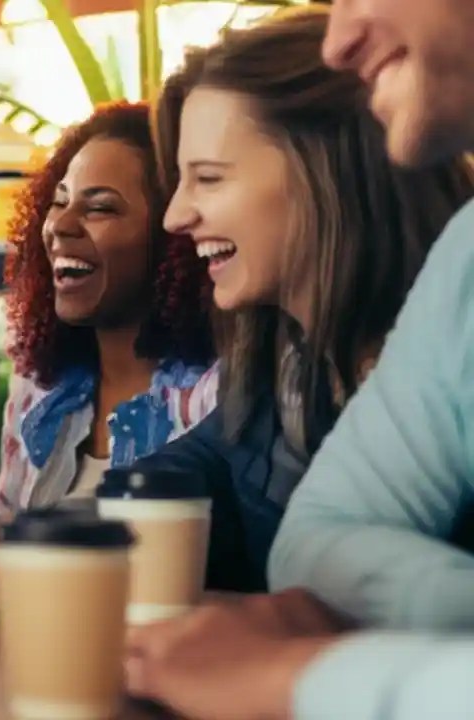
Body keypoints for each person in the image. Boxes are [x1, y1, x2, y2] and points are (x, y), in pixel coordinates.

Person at [129, 3, 474, 717]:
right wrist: (22, 544)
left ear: (327, 176)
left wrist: (316, 657)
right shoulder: (279, 370)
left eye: (211, 178)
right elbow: (273, 521)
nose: (174, 217)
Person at [0, 102, 220, 620]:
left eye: (100, 208)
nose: (61, 226)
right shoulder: (41, 388)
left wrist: (25, 579)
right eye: (59, 202)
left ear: (173, 238)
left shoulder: (214, 392)